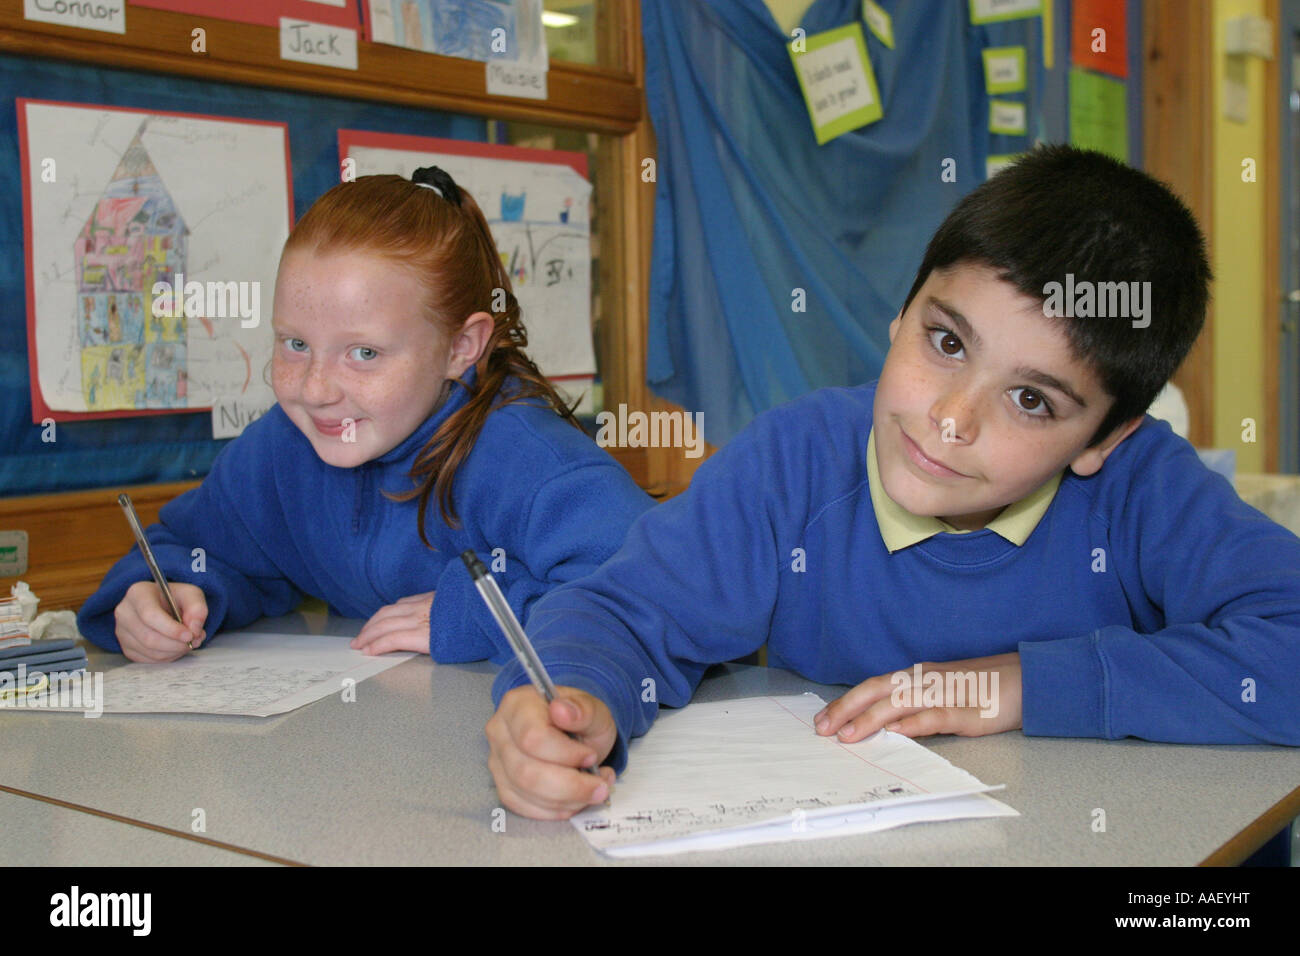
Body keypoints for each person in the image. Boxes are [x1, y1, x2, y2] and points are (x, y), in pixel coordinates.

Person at [484, 145, 1300, 820]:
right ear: (900, 316)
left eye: (1029, 400)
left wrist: (1026, 686)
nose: (951, 418)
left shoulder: (1140, 488)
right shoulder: (797, 463)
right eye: (946, 343)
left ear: (1104, 438)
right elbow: (622, 612)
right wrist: (568, 702)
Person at [79, 168, 653, 663]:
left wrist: (485, 614)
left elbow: (666, 597)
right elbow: (203, 550)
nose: (317, 388)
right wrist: (161, 595)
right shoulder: (282, 448)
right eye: (295, 344)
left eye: (365, 353)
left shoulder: (532, 462)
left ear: (461, 346)